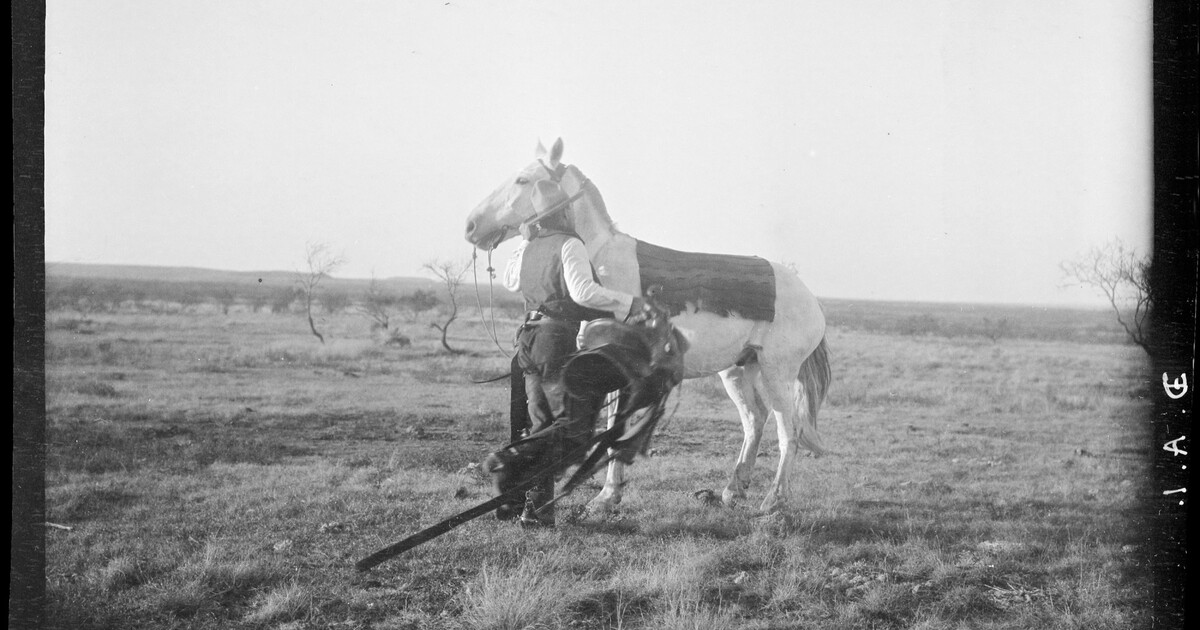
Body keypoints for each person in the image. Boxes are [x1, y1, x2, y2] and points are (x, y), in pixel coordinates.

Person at [484, 179, 646, 527]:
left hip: (526, 342)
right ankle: (507, 460)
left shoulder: (528, 248)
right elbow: (584, 292)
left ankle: (538, 510)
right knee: (572, 429)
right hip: (554, 341)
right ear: (564, 213)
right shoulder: (570, 244)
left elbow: (511, 281)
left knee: (543, 426)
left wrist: (525, 243)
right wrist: (627, 302)